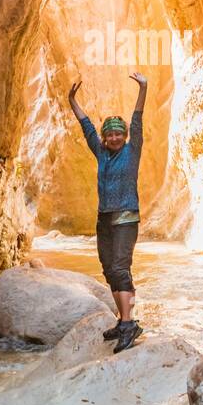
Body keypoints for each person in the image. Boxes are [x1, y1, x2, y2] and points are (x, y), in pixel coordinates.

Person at [68, 71, 147, 352]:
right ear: (104, 138)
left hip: (126, 217)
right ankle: (123, 319)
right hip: (104, 219)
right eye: (109, 133)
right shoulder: (100, 152)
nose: (114, 137)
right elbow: (86, 125)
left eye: (118, 133)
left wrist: (143, 88)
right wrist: (72, 101)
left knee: (120, 267)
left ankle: (128, 323)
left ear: (125, 136)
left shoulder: (132, 150)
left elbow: (137, 120)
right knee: (108, 269)